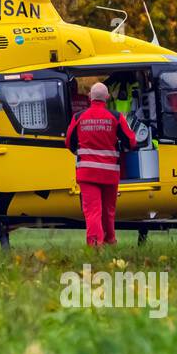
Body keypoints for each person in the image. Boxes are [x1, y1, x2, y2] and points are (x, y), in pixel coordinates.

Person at [65, 81, 137, 246]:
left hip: (87, 173)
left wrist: (79, 151)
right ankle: (110, 240)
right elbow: (131, 141)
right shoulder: (116, 117)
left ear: (90, 97)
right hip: (109, 173)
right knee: (108, 211)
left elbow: (69, 142)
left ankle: (96, 245)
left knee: (92, 212)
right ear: (107, 97)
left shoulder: (78, 117)